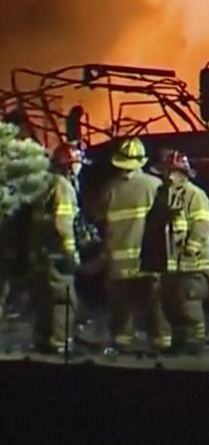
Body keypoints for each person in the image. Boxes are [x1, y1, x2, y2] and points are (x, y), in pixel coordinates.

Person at [95, 136, 169, 353]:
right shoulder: (155, 186)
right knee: (156, 307)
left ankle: (122, 348)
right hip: (148, 262)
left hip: (117, 264)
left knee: (122, 311)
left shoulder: (109, 189)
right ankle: (162, 345)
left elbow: (100, 221)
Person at [153, 149, 209, 353]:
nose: (169, 176)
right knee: (171, 303)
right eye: (167, 171)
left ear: (184, 173)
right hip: (171, 264)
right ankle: (180, 341)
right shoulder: (163, 194)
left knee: (189, 302)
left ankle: (196, 342)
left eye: (174, 171)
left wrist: (190, 250)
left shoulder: (195, 195)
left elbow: (201, 225)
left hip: (193, 265)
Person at [28, 142, 82, 353]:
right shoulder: (63, 186)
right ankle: (62, 343)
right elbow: (63, 222)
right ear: (69, 165)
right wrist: (71, 252)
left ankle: (43, 339)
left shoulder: (45, 184)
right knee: (64, 300)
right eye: (77, 163)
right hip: (58, 253)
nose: (79, 168)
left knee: (45, 298)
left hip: (43, 253)